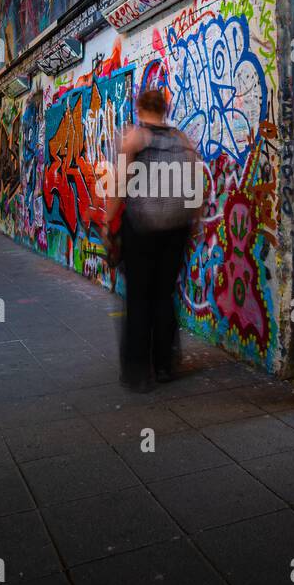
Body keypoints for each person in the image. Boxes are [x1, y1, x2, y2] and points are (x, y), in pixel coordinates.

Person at [104, 89, 203, 391]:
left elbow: (119, 184)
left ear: (139, 108)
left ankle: (138, 372)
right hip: (176, 229)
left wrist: (108, 222)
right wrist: (193, 223)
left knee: (139, 299)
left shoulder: (135, 138)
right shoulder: (182, 139)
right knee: (164, 296)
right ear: (165, 108)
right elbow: (195, 183)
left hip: (143, 229)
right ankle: (164, 365)